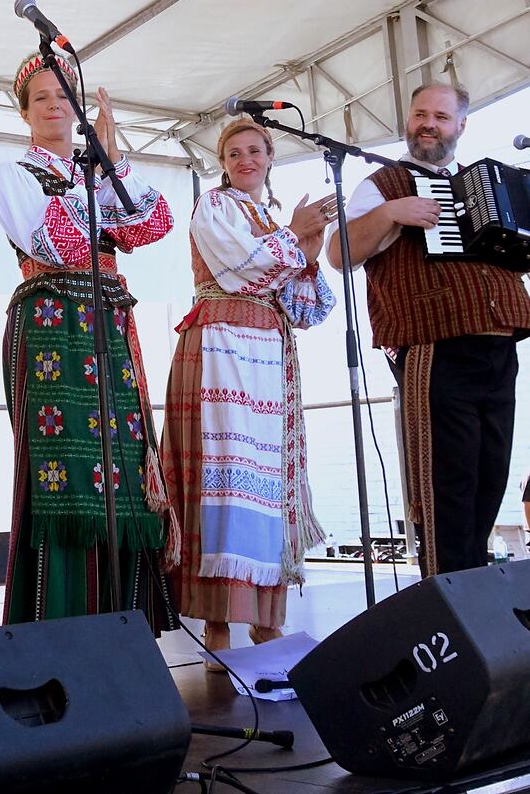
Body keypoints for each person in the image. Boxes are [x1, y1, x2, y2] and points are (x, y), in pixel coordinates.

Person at [0, 52, 175, 628]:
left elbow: (153, 223)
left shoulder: (93, 172)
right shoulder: (14, 173)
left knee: (123, 469)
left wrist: (114, 164)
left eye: (63, 96)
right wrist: (95, 177)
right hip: (51, 324)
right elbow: (55, 246)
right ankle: (58, 624)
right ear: (24, 112)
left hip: (109, 324)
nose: (54, 105)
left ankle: (126, 626)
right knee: (64, 472)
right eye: (41, 97)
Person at [327, 82, 530, 575]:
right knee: (446, 482)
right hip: (433, 347)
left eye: (440, 117)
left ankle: (475, 585)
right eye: (420, 114)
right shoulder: (383, 185)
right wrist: (391, 213)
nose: (428, 124)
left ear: (460, 125)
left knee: (489, 477)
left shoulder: (488, 183)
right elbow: (339, 253)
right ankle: (448, 599)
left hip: (499, 346)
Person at [159, 117, 333, 665]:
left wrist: (311, 248)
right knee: (224, 480)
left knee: (263, 484)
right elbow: (240, 270)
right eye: (234, 154)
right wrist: (293, 237)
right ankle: (217, 624)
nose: (245, 161)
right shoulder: (214, 207)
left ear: (269, 158)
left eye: (255, 151)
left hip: (267, 353)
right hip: (221, 351)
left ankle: (265, 621)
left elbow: (308, 309)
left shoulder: (268, 218)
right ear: (223, 162)